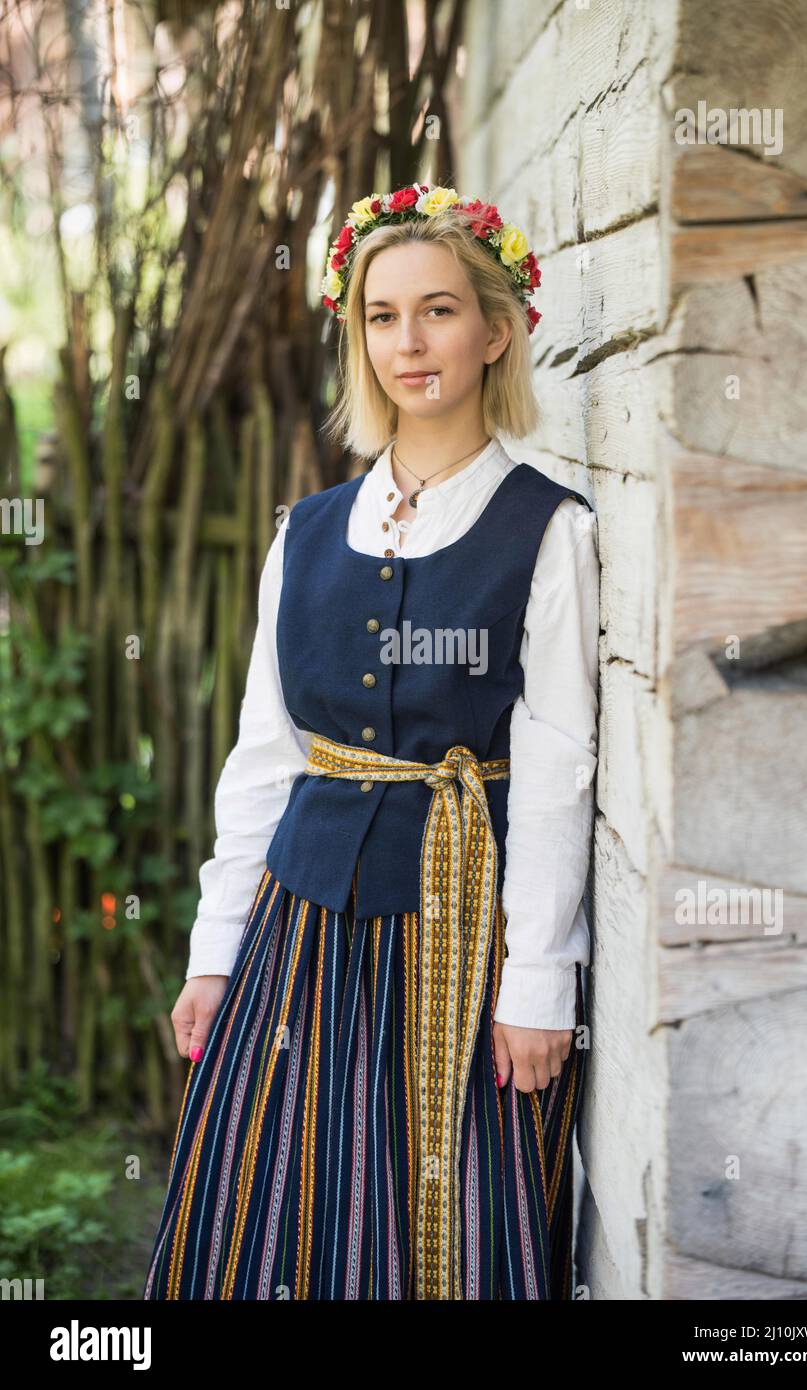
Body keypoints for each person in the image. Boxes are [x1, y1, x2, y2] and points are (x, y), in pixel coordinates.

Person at [142, 183, 599, 1301]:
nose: (411, 341)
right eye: (383, 315)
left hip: (456, 931)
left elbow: (555, 771)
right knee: (275, 1203)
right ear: (360, 337)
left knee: (434, 1214)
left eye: (440, 310)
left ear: (497, 331)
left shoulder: (549, 528)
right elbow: (266, 754)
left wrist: (538, 981)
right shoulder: (304, 532)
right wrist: (215, 949)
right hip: (297, 931)